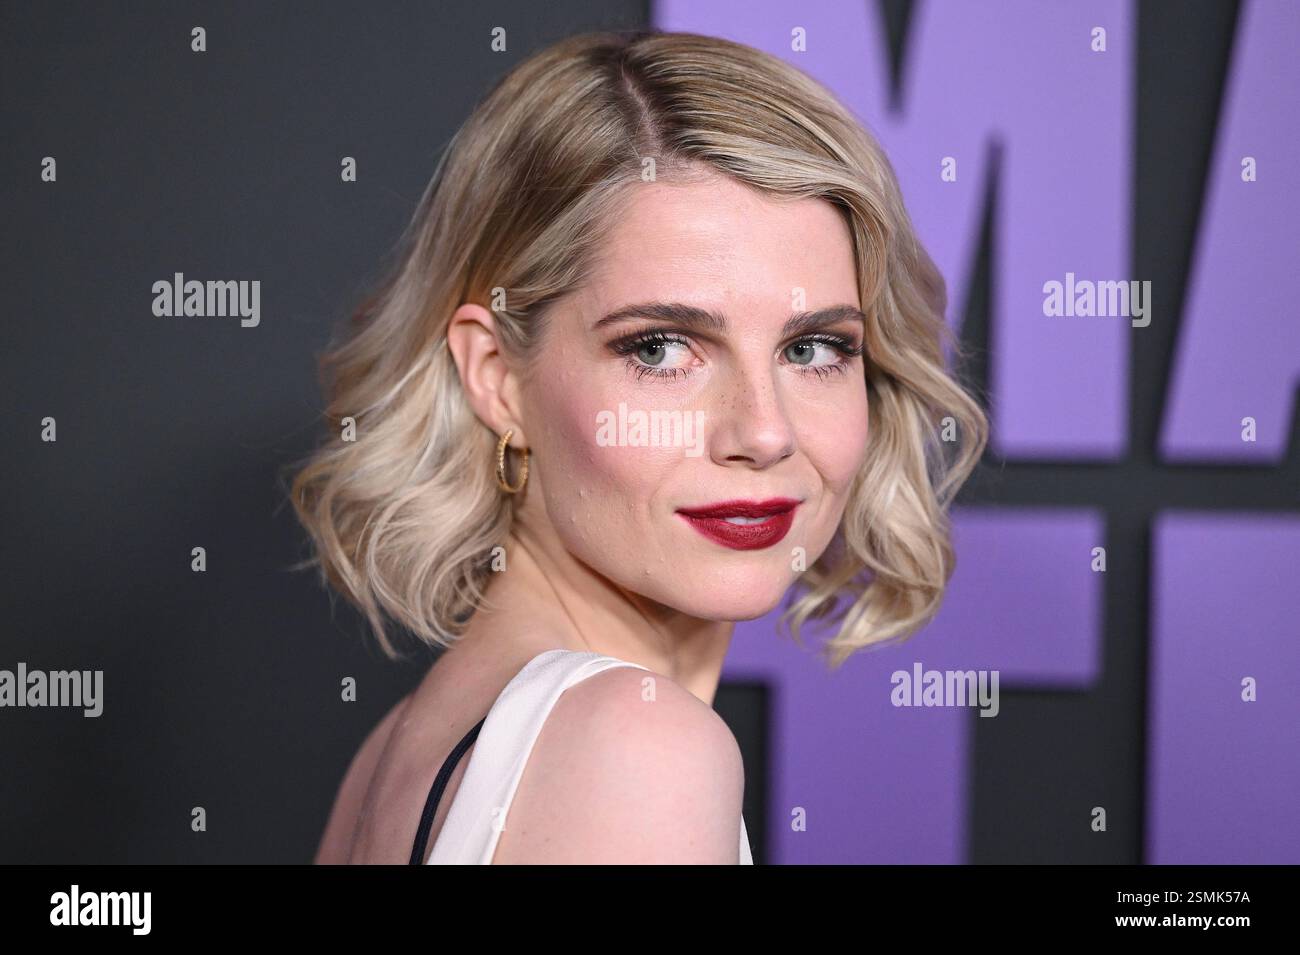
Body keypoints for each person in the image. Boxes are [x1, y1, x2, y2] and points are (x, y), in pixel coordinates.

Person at [290, 28, 987, 864]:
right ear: (496, 375)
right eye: (660, 348)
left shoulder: (399, 751)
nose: (763, 432)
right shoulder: (641, 750)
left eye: (812, 349)